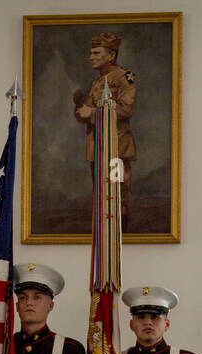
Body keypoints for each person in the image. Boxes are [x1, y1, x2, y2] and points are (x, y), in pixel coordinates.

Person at [73, 31, 135, 219]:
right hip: (97, 147)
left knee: (117, 199)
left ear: (111, 55)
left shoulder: (124, 77)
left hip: (116, 147)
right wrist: (81, 111)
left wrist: (92, 112)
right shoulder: (98, 82)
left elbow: (126, 109)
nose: (90, 57)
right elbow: (90, 112)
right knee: (101, 199)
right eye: (91, 53)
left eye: (96, 53)